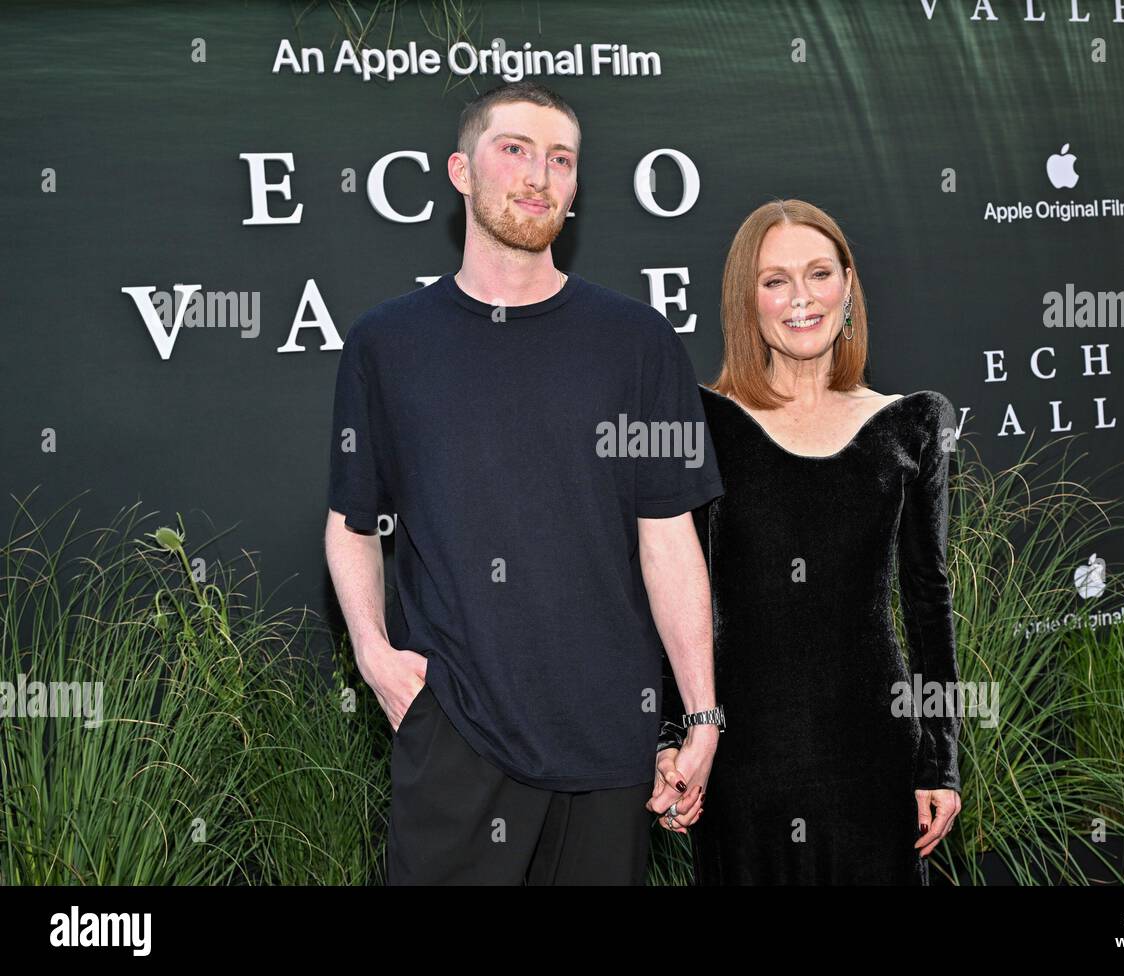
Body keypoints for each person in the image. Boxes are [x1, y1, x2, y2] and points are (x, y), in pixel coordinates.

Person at [324, 81, 724, 884]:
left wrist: (702, 712)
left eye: (561, 160)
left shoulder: (637, 342)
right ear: (461, 171)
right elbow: (350, 522)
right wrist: (374, 655)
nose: (539, 175)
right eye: (515, 150)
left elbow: (669, 535)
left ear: (575, 187)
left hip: (609, 744)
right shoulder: (386, 344)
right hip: (455, 737)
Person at [651, 200, 963, 884]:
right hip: (743, 765)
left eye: (819, 273)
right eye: (775, 281)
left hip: (876, 759)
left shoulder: (911, 425)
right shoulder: (703, 423)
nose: (801, 299)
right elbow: (678, 595)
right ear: (747, 300)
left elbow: (928, 602)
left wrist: (939, 762)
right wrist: (673, 740)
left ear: (848, 286)